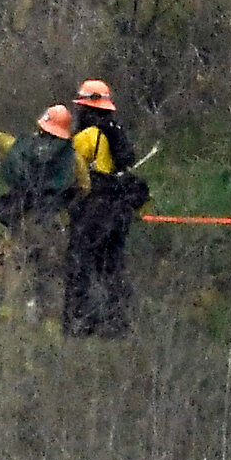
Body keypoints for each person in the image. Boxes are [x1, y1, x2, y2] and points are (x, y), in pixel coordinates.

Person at [0, 106, 87, 327]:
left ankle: (9, 320)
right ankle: (51, 325)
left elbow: (2, 141)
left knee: (17, 268)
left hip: (22, 218)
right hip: (52, 221)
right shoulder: (72, 157)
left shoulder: (23, 146)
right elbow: (84, 187)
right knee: (52, 272)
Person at [64, 78, 146, 338]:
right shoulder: (117, 132)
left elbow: (71, 170)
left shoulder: (88, 136)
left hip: (93, 210)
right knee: (113, 270)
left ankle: (79, 325)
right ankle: (118, 325)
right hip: (118, 210)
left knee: (80, 268)